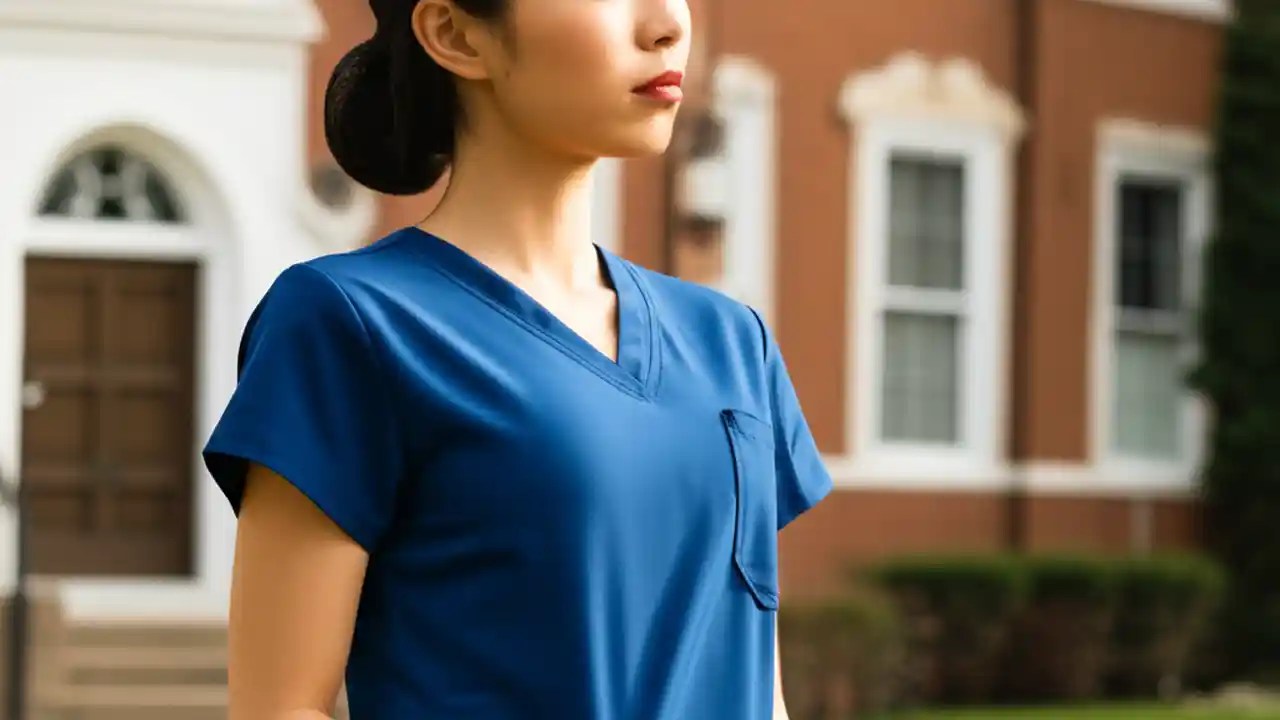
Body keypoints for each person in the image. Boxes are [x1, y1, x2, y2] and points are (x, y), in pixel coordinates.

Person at [201, 0, 831, 717]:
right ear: (454, 33)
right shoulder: (350, 324)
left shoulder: (731, 340)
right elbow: (281, 706)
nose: (666, 23)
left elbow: (757, 688)